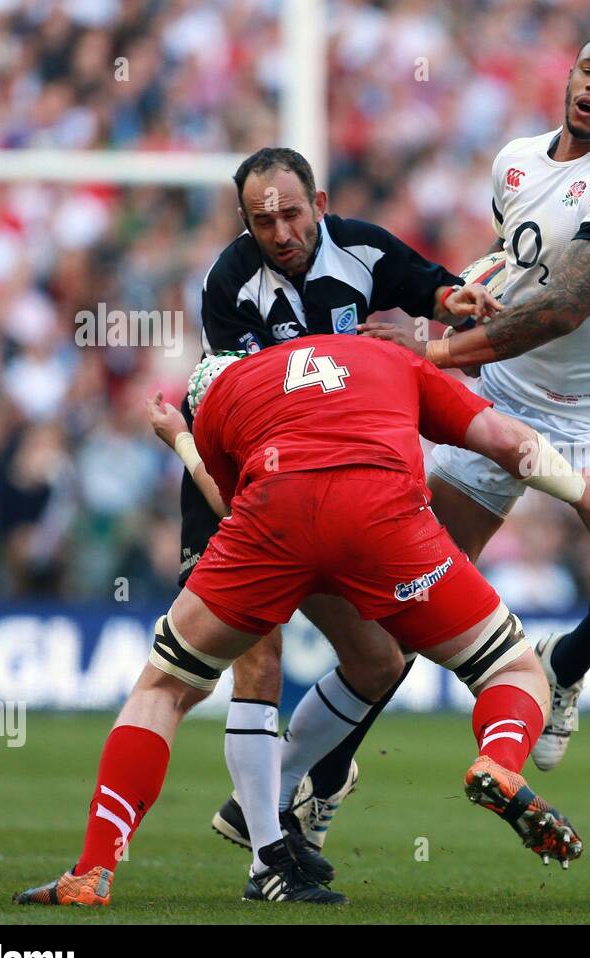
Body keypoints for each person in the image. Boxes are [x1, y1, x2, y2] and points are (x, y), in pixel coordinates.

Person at [14, 334, 590, 907]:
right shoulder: (381, 357)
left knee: (164, 689)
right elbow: (496, 434)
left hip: (278, 518)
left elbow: (229, 501)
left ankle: (93, 871)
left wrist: (180, 439)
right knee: (509, 668)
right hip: (383, 517)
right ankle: (500, 760)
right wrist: (577, 490)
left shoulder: (224, 395)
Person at [359, 27, 590, 772]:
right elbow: (519, 262)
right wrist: (458, 299)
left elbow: (564, 306)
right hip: (503, 398)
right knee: (402, 609)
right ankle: (322, 784)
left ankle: (561, 665)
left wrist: (432, 352)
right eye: (588, 70)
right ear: (569, 76)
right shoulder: (514, 162)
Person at [187, 146, 503, 855]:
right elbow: (237, 407)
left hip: (342, 490)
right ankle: (270, 846)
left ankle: (289, 793)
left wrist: (452, 310)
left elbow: (445, 300)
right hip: (255, 485)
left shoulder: (362, 249)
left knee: (381, 663)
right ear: (246, 223)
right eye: (262, 221)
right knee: (254, 660)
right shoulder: (230, 281)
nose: (280, 233)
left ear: (320, 205)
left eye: (292, 215)